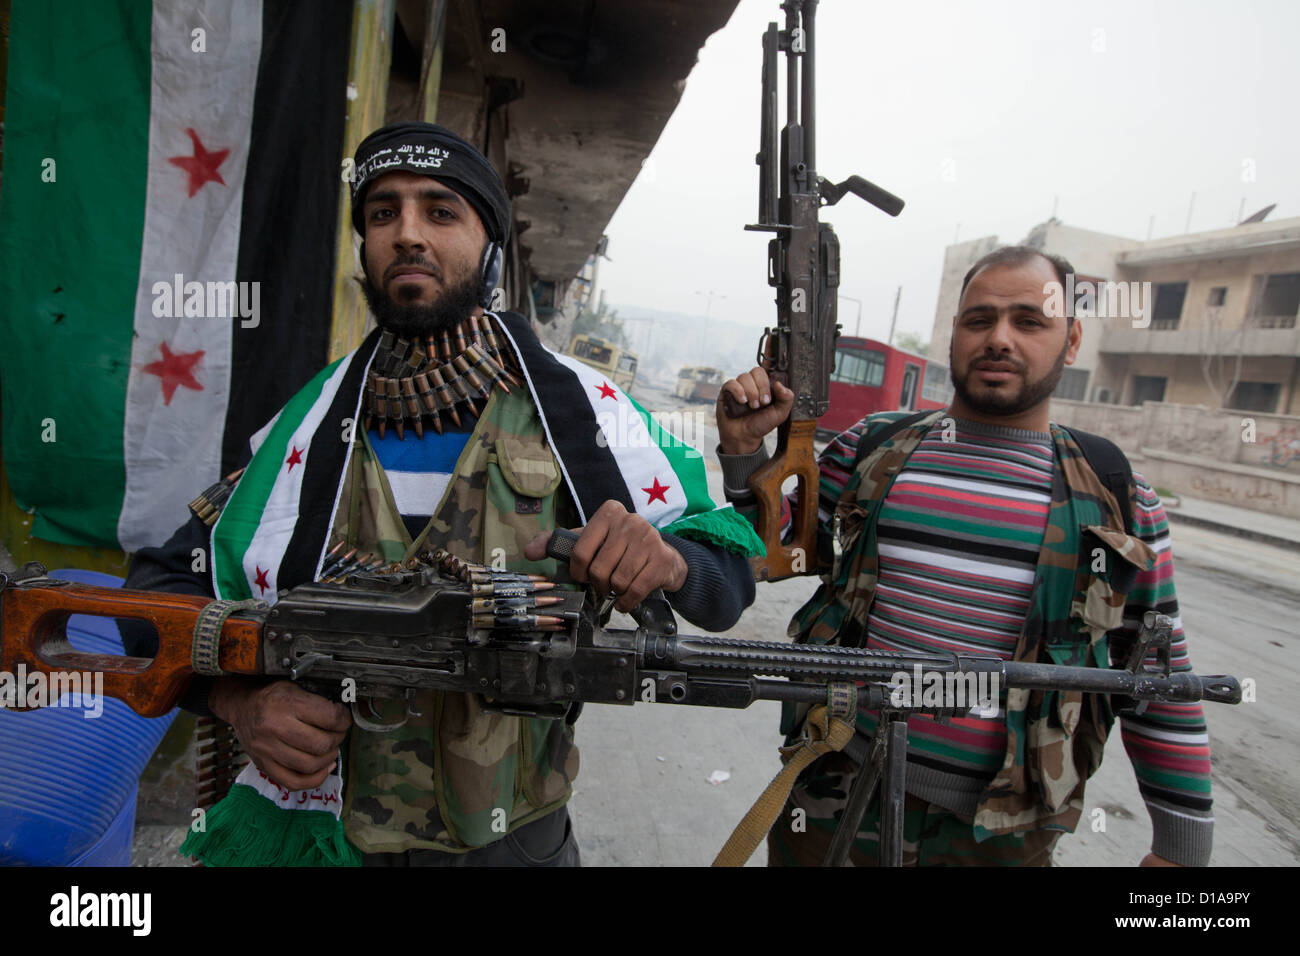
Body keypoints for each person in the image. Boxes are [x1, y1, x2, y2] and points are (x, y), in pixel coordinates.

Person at [122, 121, 760, 867]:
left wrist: (671, 562)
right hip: (322, 840)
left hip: (509, 841)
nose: (408, 234)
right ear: (363, 246)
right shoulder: (309, 429)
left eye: (441, 210)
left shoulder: (581, 415)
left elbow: (727, 589)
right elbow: (150, 602)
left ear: (488, 243)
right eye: (383, 213)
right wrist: (239, 703)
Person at [715, 246, 1213, 866]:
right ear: (954, 333)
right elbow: (771, 553)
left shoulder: (1114, 495)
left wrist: (1182, 849)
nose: (999, 339)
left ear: (1072, 339)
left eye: (1029, 321)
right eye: (979, 320)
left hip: (1002, 836)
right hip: (833, 795)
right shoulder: (873, 449)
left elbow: (1158, 680)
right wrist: (742, 456)